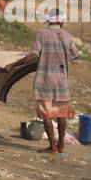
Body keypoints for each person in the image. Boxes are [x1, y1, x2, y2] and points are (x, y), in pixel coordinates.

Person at [20, 10, 79, 155]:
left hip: (45, 81)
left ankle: (52, 147)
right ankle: (61, 146)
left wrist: (15, 64)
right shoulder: (66, 35)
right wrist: (62, 57)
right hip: (61, 81)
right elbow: (75, 54)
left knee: (47, 114)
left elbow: (34, 54)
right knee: (61, 114)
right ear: (60, 22)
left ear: (49, 21)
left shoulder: (41, 34)